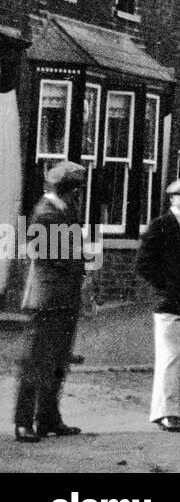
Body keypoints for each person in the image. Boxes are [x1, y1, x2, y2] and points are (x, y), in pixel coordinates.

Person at [13, 162, 88, 442]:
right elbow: (48, 256)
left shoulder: (64, 211)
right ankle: (23, 423)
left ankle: (48, 417)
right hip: (46, 299)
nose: (78, 194)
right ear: (68, 190)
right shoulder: (45, 214)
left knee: (57, 361)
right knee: (35, 363)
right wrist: (80, 264)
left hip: (64, 296)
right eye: (77, 189)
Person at [136, 177, 180, 433]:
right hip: (169, 302)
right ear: (171, 199)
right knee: (170, 357)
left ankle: (176, 409)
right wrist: (166, 287)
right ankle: (165, 412)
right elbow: (143, 264)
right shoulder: (161, 226)